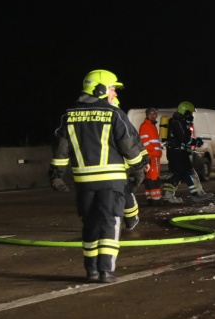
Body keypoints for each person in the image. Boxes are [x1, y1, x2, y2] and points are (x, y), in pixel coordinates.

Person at [49, 70, 146, 283]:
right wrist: (138, 170)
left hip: (84, 183)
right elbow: (128, 146)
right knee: (110, 223)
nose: (114, 93)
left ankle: (91, 270)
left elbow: (61, 148)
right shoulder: (113, 113)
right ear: (100, 89)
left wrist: (56, 175)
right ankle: (106, 271)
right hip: (111, 182)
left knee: (90, 224)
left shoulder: (69, 115)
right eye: (112, 88)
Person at [161, 101, 207, 201]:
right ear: (185, 112)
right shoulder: (178, 122)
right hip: (178, 153)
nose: (191, 115)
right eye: (190, 112)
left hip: (174, 152)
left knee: (175, 174)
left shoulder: (175, 121)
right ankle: (196, 194)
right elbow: (183, 138)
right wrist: (195, 142)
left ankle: (167, 195)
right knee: (189, 172)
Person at [138, 107, 164, 205]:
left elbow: (153, 142)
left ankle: (150, 198)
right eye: (150, 114)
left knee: (150, 177)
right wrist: (153, 152)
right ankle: (156, 199)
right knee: (153, 177)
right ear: (147, 115)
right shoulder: (145, 126)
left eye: (154, 114)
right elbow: (144, 143)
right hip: (152, 156)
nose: (152, 116)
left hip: (154, 156)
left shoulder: (152, 126)